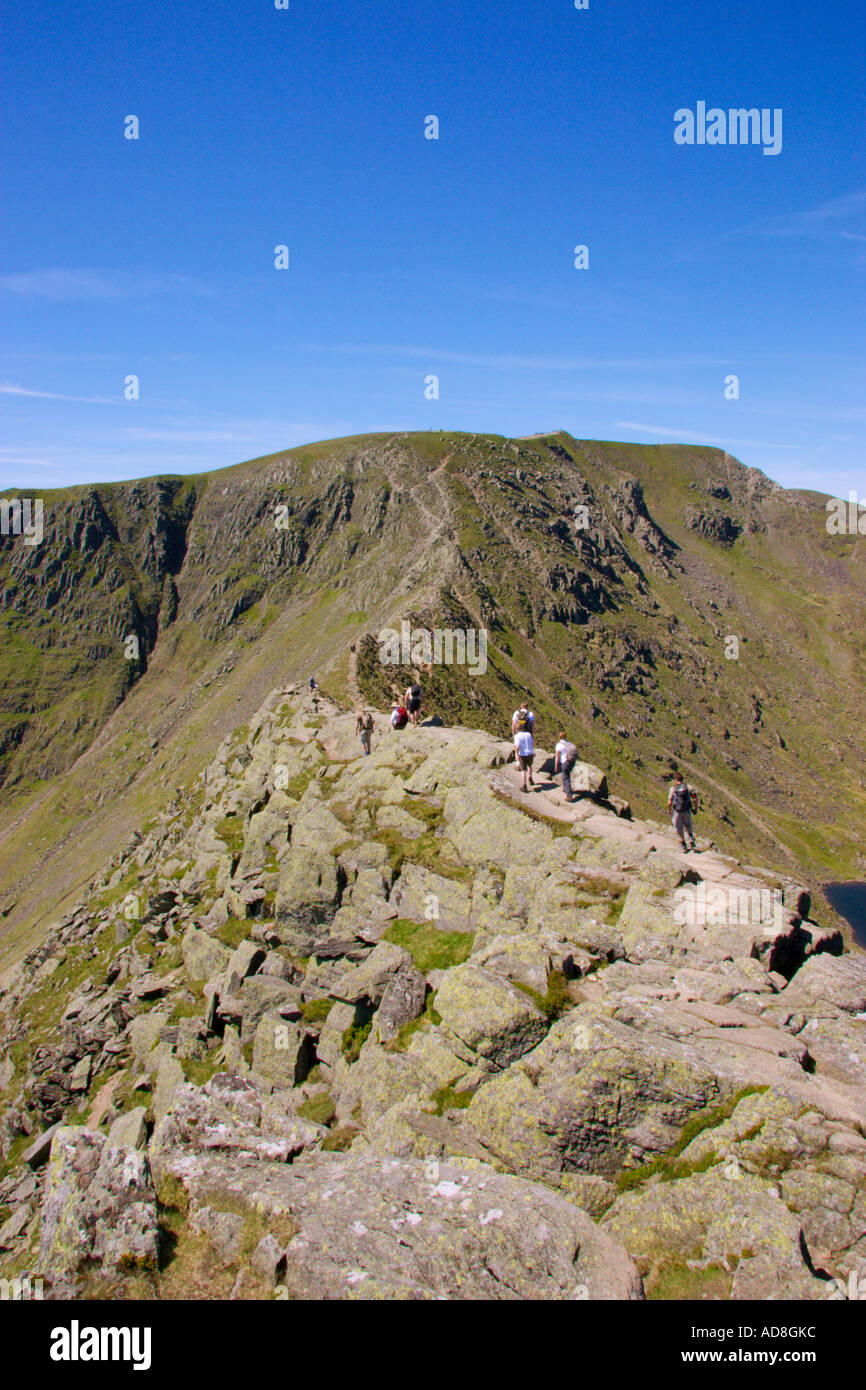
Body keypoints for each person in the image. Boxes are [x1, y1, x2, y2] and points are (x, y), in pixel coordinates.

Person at [667, 771, 697, 852]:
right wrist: (695, 808)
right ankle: (691, 837)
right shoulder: (688, 787)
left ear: (676, 779)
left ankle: (683, 844)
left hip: (678, 811)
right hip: (687, 810)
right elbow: (695, 799)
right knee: (688, 824)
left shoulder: (673, 789)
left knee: (678, 826)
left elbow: (669, 801)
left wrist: (669, 810)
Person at [554, 731, 578, 802]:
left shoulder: (559, 745)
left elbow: (557, 756)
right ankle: (565, 788)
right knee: (565, 775)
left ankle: (569, 796)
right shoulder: (569, 743)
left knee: (566, 777)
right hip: (572, 761)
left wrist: (556, 766)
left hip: (565, 761)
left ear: (559, 737)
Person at [514, 724, 537, 792]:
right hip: (530, 752)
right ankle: (530, 778)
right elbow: (532, 744)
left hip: (523, 754)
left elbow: (517, 747)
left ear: (517, 729)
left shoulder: (517, 736)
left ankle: (524, 786)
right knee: (529, 766)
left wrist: (517, 754)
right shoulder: (528, 734)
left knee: (523, 770)